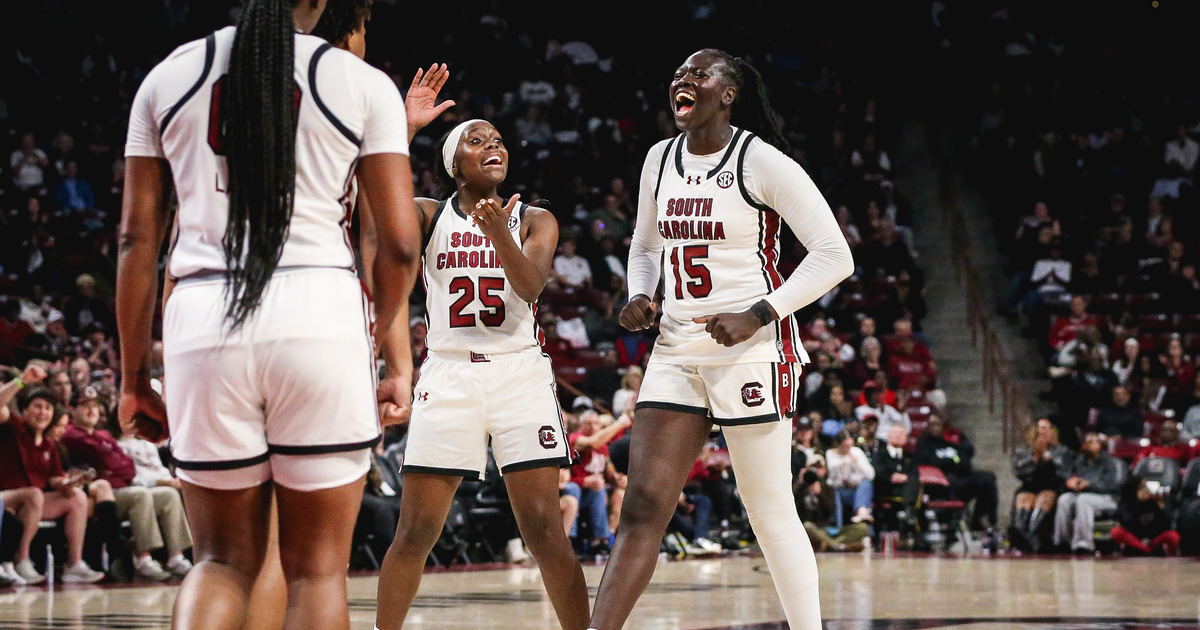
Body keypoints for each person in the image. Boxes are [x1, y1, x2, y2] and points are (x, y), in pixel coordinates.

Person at [116, 1, 421, 628]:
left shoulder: (167, 75)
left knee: (222, 561)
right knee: (315, 571)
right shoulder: (362, 83)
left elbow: (136, 242)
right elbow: (397, 243)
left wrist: (130, 379)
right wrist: (377, 344)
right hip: (320, 311)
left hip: (204, 313)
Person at [591, 48, 853, 630]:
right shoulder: (657, 160)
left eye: (698, 74)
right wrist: (641, 293)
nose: (682, 80)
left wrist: (760, 313)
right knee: (640, 509)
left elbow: (835, 256)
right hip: (678, 348)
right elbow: (643, 246)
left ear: (728, 93)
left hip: (751, 349)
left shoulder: (761, 161)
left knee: (768, 512)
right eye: (678, 73)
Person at [370, 118, 590, 630]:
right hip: (449, 375)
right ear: (454, 166)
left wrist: (499, 235)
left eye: (497, 140)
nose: (492, 145)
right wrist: (399, 131)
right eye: (476, 140)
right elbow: (374, 202)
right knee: (415, 532)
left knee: (544, 532)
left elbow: (531, 287)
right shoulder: (428, 214)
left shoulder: (536, 219)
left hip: (519, 374)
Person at [62, 385, 193, 580]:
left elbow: (127, 467)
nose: (92, 411)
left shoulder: (104, 435)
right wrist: (115, 467)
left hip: (121, 489)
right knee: (139, 495)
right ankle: (143, 557)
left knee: (168, 495)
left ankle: (176, 556)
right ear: (72, 409)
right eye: (85, 406)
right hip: (100, 496)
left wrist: (115, 467)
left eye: (95, 406)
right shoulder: (72, 435)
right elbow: (107, 463)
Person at [0, 367, 106, 584]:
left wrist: (73, 482)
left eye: (48, 408)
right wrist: (21, 381)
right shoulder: (13, 427)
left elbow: (56, 481)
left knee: (77, 497)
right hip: (5, 498)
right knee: (34, 495)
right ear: (25, 410)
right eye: (37, 406)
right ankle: (22, 559)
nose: (43, 412)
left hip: (32, 503)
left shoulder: (50, 445)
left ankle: (73, 564)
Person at [915, 414, 999, 531]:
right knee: (953, 481)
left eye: (937, 424)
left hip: (960, 480)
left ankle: (982, 521)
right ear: (927, 426)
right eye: (932, 424)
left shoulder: (950, 442)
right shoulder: (923, 443)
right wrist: (951, 461)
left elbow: (964, 463)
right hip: (940, 486)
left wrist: (949, 461)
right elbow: (928, 462)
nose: (935, 427)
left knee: (988, 479)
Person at [1009, 418, 1071, 553]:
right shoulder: (1023, 451)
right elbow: (1019, 472)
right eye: (1040, 429)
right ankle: (1020, 538)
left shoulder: (1062, 451)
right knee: (1024, 500)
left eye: (1047, 429)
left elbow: (1064, 474)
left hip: (1052, 486)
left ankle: (1032, 539)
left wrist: (1050, 460)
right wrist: (1034, 459)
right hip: (1030, 485)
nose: (1044, 432)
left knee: (1044, 499)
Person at [1053, 432, 1122, 554]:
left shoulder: (1109, 462)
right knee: (1064, 499)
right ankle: (1063, 542)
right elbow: (1068, 475)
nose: (1094, 445)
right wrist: (1071, 482)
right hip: (1083, 494)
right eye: (1089, 442)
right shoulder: (1079, 461)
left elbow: (1110, 486)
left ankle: (1083, 544)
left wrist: (1088, 484)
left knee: (1083, 500)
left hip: (1107, 497)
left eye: (1096, 442)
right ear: (1083, 446)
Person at [825, 429, 875, 527]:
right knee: (834, 491)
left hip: (856, 491)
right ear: (838, 444)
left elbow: (871, 475)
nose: (848, 448)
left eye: (849, 445)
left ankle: (862, 513)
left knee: (866, 485)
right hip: (840, 490)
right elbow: (831, 478)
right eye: (845, 445)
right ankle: (838, 528)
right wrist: (844, 462)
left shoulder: (856, 452)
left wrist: (856, 461)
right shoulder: (830, 454)